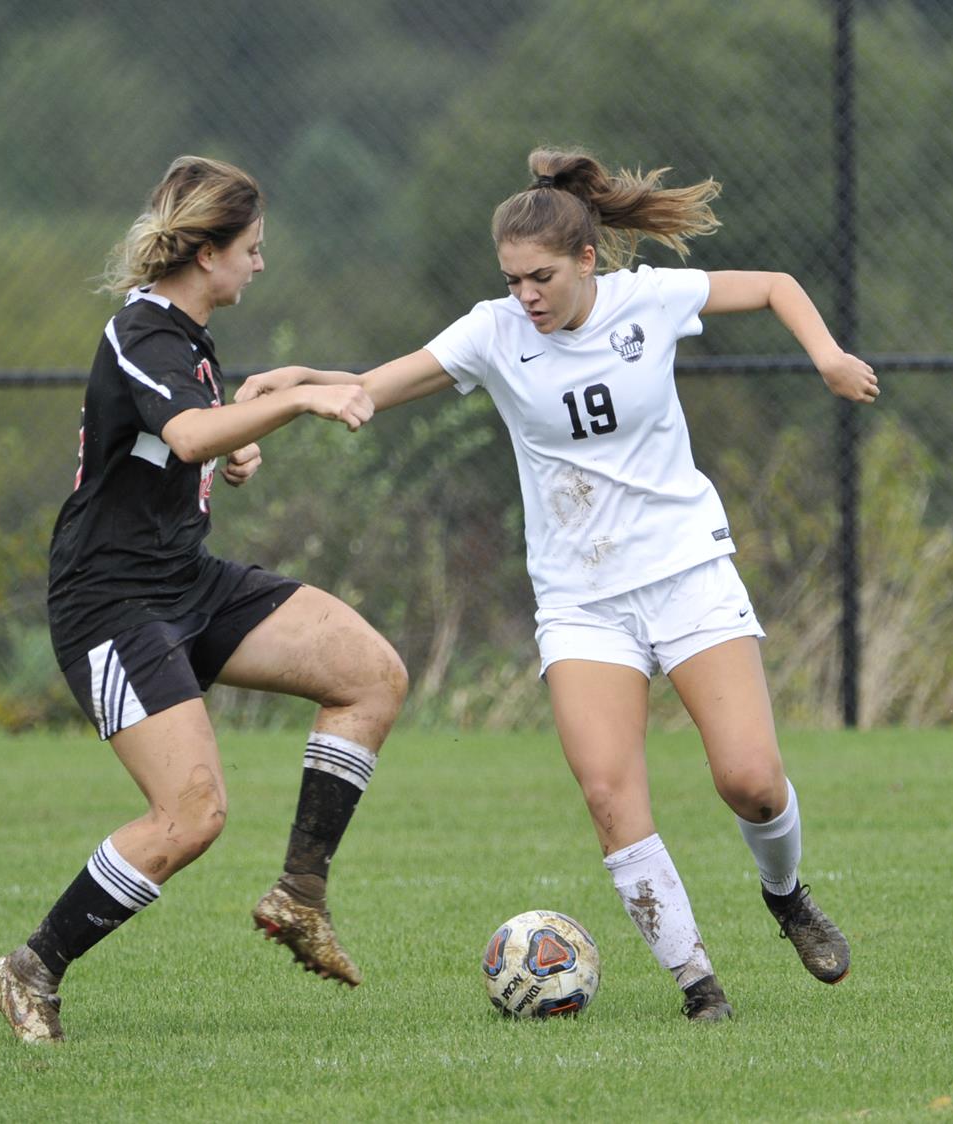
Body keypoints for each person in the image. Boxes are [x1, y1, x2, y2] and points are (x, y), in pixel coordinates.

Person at [240, 147, 879, 1021]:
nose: (525, 296)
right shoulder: (494, 331)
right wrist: (291, 388)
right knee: (612, 796)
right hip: (582, 602)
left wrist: (830, 356)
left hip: (687, 568)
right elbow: (374, 388)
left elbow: (773, 284)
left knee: (751, 782)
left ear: (587, 261)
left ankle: (787, 895)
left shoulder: (646, 301)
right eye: (512, 280)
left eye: (540, 277)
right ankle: (700, 989)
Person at [0, 156, 408, 1045]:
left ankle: (299, 895)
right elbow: (184, 432)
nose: (260, 263)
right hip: (112, 604)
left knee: (371, 674)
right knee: (193, 814)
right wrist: (293, 409)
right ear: (207, 252)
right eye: (252, 248)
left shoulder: (185, 338)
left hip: (187, 581)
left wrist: (232, 447)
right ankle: (31, 966)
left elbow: (186, 441)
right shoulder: (142, 328)